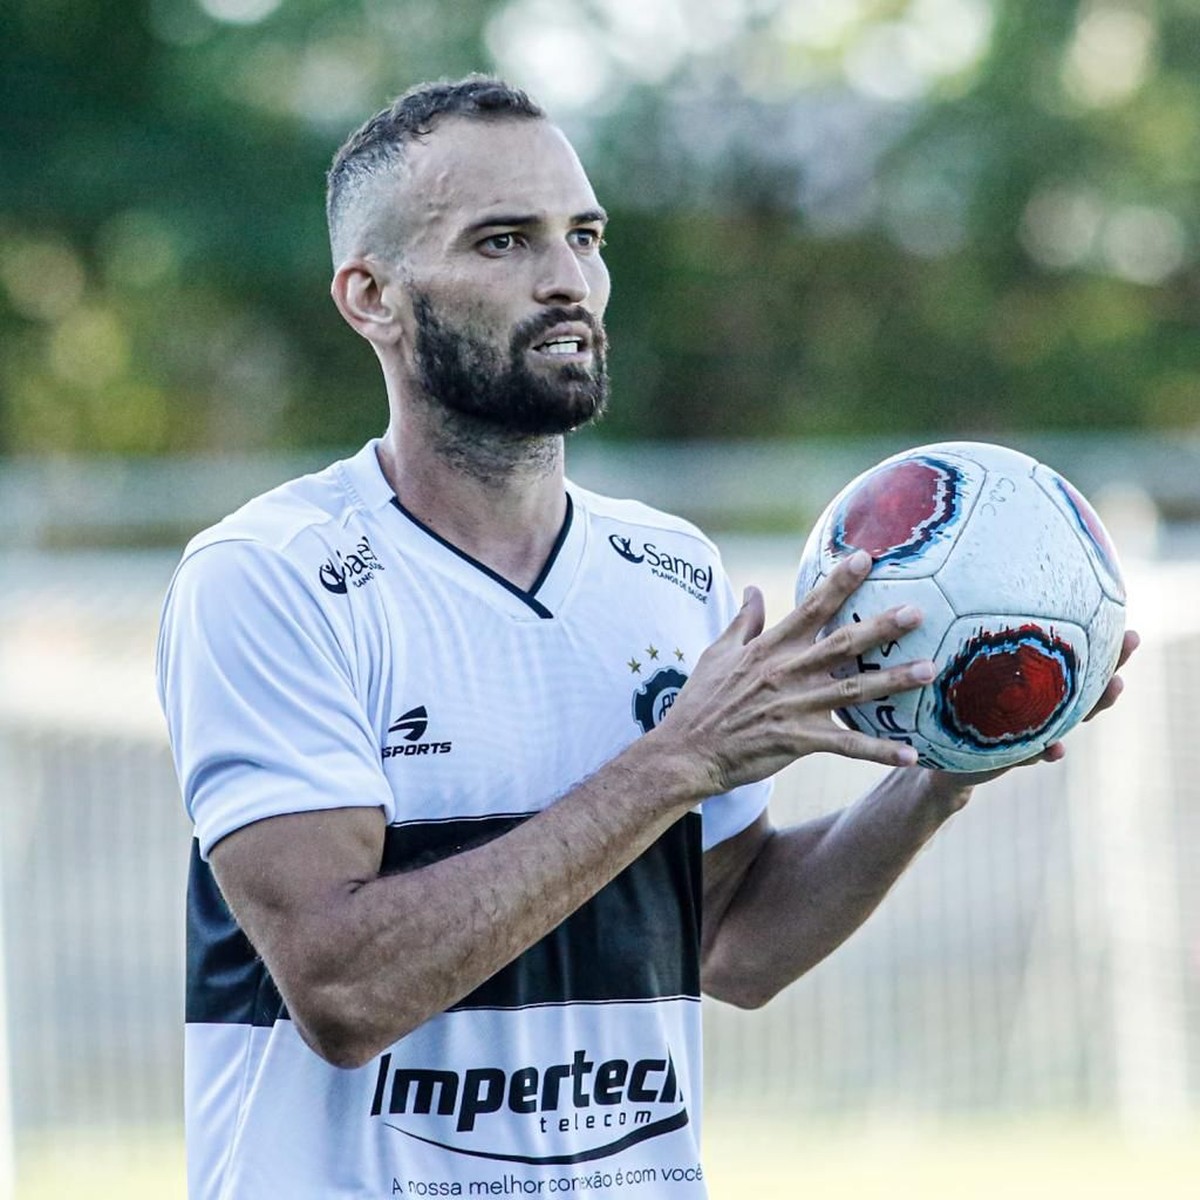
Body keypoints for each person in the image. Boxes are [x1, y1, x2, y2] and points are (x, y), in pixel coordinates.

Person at [156, 76, 1136, 1200]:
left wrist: (941, 777)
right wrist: (676, 761)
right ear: (370, 294)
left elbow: (734, 944)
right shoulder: (270, 579)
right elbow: (343, 993)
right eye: (503, 241)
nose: (566, 279)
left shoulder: (671, 574)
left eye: (584, 236)